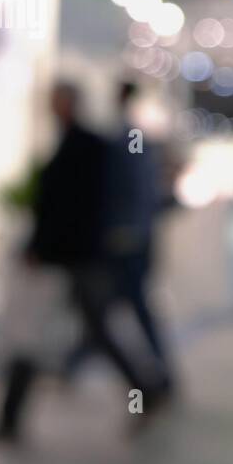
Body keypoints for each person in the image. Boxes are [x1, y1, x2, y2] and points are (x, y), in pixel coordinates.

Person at [0, 82, 162, 443]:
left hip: (73, 259)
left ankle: (11, 419)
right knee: (57, 332)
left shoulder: (87, 146)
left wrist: (41, 247)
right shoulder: (86, 144)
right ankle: (11, 417)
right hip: (74, 258)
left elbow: (71, 210)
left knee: (42, 332)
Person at [63, 81, 174, 392]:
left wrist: (127, 231)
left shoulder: (128, 138)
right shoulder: (130, 137)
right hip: (130, 238)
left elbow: (136, 190)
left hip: (126, 242)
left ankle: (159, 378)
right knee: (104, 310)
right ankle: (156, 376)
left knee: (120, 309)